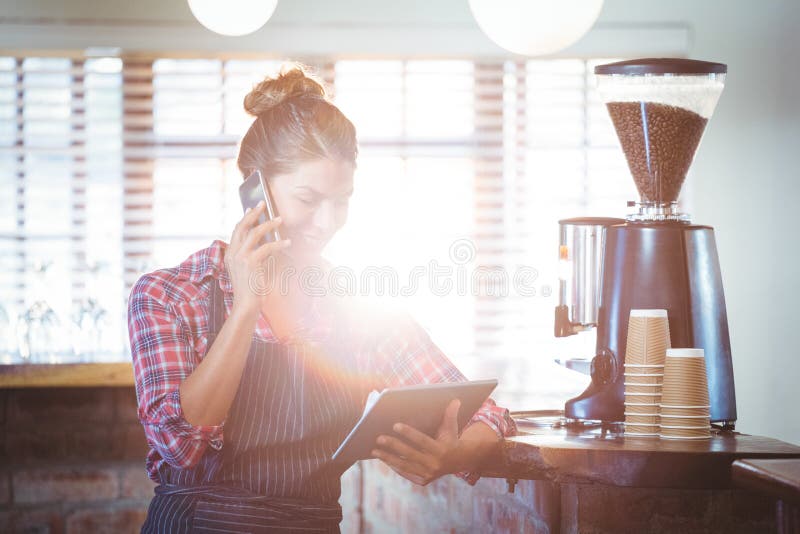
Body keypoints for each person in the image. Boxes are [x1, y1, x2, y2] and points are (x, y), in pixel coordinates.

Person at [128, 64, 516, 533]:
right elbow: (181, 445)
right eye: (308, 199)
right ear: (256, 191)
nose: (328, 221)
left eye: (342, 200)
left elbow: (485, 413)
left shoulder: (355, 307)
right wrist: (247, 305)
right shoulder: (168, 295)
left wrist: (456, 452)